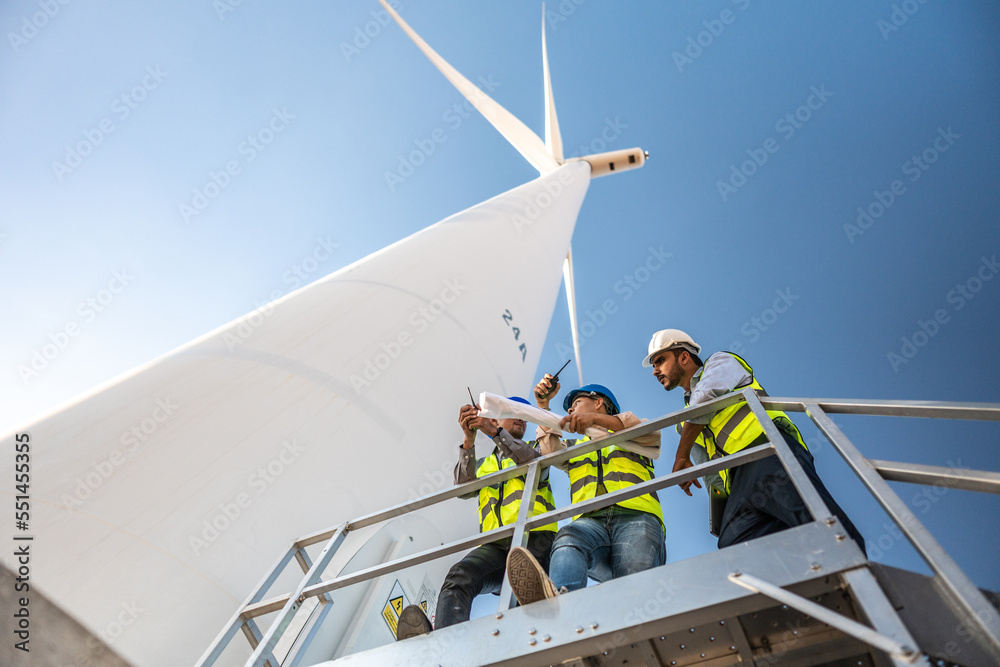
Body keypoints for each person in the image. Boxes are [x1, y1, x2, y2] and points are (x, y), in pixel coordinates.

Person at [642, 328, 865, 551]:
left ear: (684, 357)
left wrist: (681, 456)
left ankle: (856, 562)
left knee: (812, 516)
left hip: (769, 452)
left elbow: (705, 399)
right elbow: (710, 472)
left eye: (660, 361)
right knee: (734, 545)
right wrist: (722, 508)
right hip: (737, 484)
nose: (655, 371)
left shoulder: (721, 362)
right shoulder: (685, 423)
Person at [396, 396, 557, 639]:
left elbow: (532, 461)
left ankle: (533, 646)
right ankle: (447, 642)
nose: (521, 420)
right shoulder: (484, 464)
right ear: (495, 419)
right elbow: (463, 488)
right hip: (496, 545)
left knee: (523, 605)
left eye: (524, 416)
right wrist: (468, 440)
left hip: (535, 540)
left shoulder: (536, 449)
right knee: (459, 576)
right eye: (513, 413)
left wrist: (493, 432)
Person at [505, 377, 665, 605]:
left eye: (576, 403)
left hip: (636, 516)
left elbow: (651, 433)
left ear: (598, 402)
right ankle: (560, 603)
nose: (570, 410)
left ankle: (637, 618)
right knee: (568, 538)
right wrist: (543, 406)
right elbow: (549, 451)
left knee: (634, 583)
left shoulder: (633, 434)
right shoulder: (574, 448)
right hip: (590, 522)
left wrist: (594, 420)